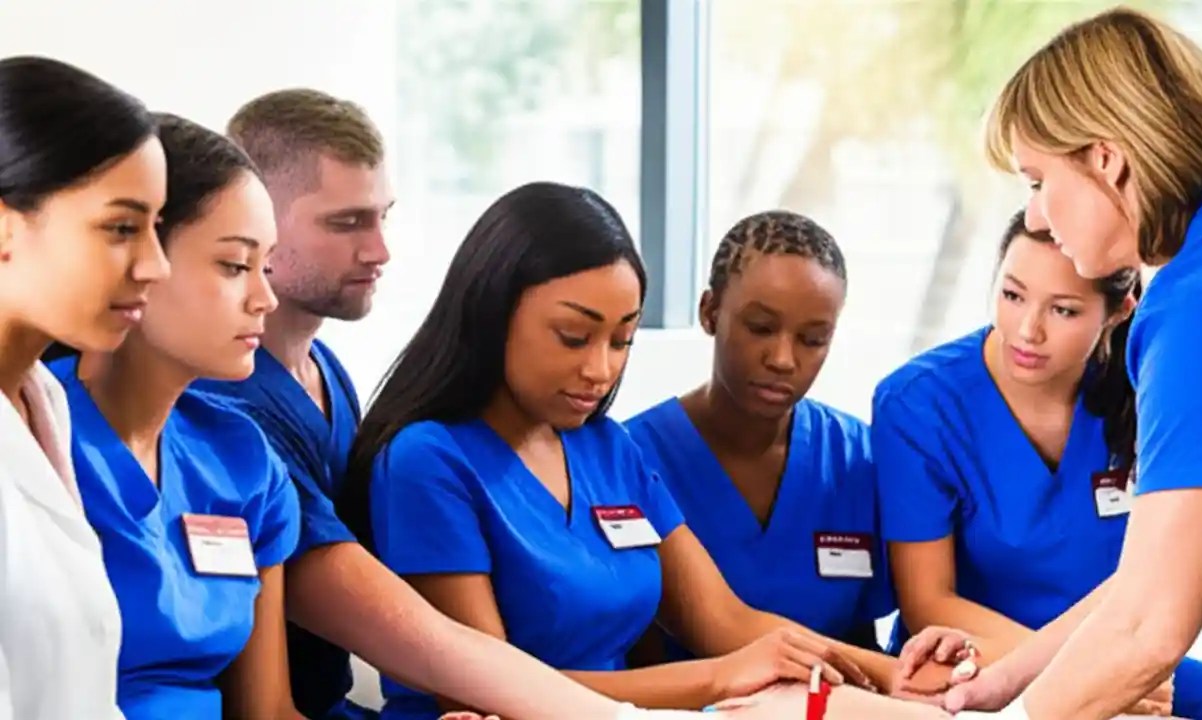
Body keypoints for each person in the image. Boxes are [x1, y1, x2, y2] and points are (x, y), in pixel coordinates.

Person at [192, 89, 799, 720]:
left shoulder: (325, 377)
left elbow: (722, 618)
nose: (380, 251)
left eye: (383, 217)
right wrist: (713, 684)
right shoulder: (245, 417)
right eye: (347, 223)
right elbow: (447, 658)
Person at [342, 182, 955, 720]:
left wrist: (893, 676)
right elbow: (484, 689)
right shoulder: (429, 461)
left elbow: (724, 621)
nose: (600, 370)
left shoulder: (608, 449)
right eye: (574, 337)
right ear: (494, 313)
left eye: (622, 339)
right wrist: (716, 680)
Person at [898, 8, 1202, 719]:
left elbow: (1148, 629)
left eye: (1038, 181)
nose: (1036, 217)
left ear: (1106, 159)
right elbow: (1152, 579)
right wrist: (1001, 684)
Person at [875, 209, 1202, 719]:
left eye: (1063, 311)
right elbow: (928, 603)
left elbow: (1187, 565)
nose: (1027, 330)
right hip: (975, 659)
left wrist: (1121, 667)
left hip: (1116, 642)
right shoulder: (917, 404)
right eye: (1012, 296)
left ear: (1118, 312)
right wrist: (1088, 674)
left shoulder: (1148, 392)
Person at [43, 113, 307, 719]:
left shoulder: (243, 459)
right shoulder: (34, 441)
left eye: (266, 267)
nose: (265, 298)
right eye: (235, 266)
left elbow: (267, 712)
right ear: (136, 255)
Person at [623, 211, 896, 667]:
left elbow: (861, 636)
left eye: (813, 339)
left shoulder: (859, 460)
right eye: (761, 328)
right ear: (710, 312)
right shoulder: (631, 459)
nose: (783, 359)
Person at [0, 55, 168, 719]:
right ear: (6, 227)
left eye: (156, 227)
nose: (155, 265)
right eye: (121, 228)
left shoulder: (44, 402)